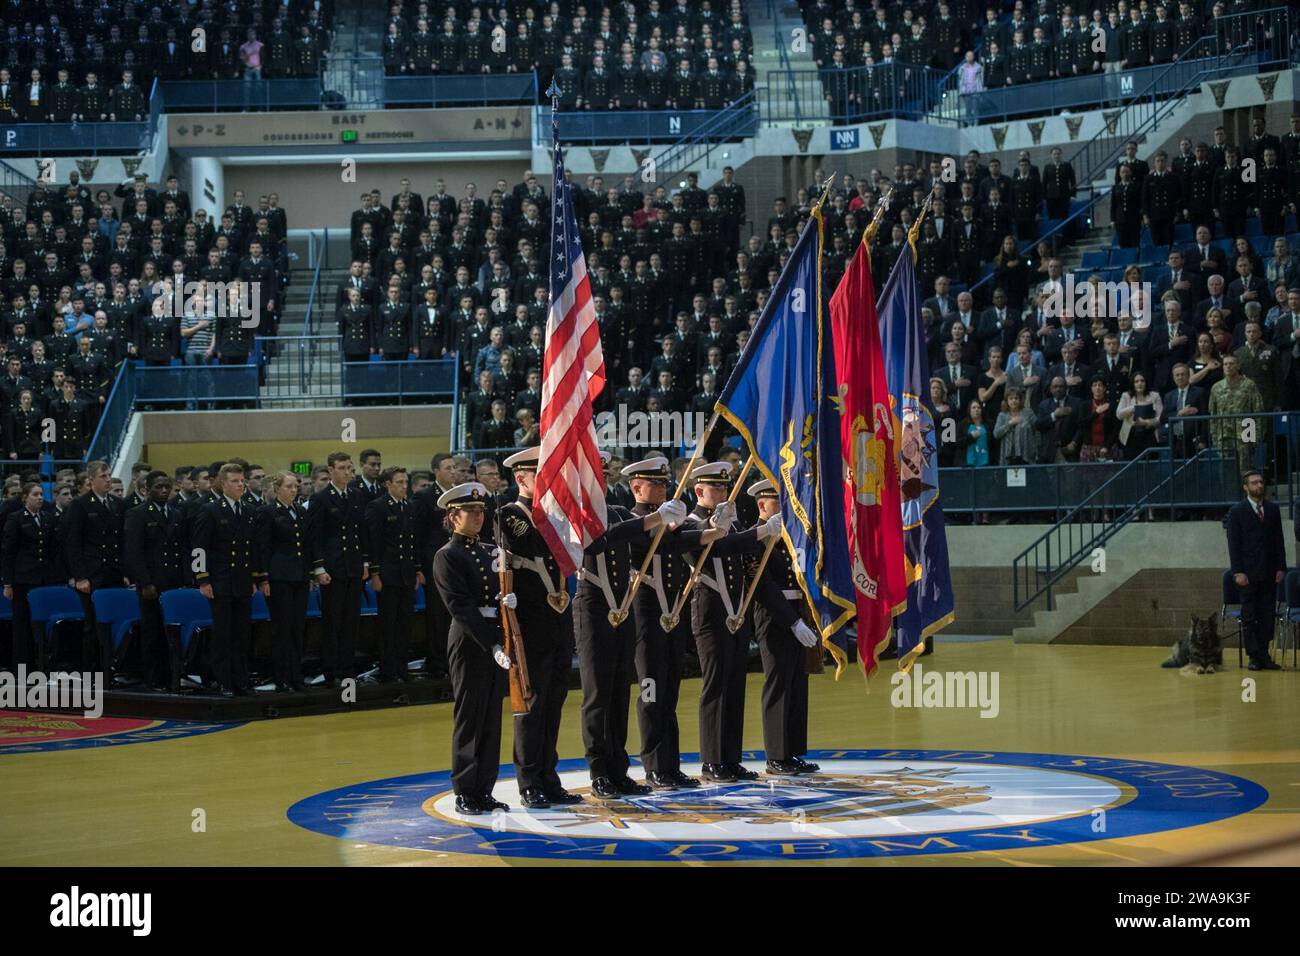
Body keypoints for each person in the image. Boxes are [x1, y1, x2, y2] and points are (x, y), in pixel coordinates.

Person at [572, 450, 680, 798]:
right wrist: (652, 520)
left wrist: (691, 524)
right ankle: (599, 770)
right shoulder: (577, 513)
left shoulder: (617, 511)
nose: (600, 478)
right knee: (598, 694)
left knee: (620, 691)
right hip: (593, 606)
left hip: (622, 607)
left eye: (603, 472)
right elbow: (601, 538)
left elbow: (648, 536)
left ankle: (618, 769)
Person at [682, 460, 781, 782]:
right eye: (717, 488)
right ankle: (712, 761)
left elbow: (740, 547)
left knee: (735, 685)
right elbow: (717, 548)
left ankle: (731, 758)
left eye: (726, 487)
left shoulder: (735, 525)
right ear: (699, 491)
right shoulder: (691, 523)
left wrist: (757, 533)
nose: (724, 493)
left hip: (735, 614)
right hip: (710, 612)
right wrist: (762, 529)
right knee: (715, 686)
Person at [621, 456, 714, 790]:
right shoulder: (635, 520)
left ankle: (669, 764)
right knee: (651, 691)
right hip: (646, 615)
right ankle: (654, 765)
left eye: (663, 483)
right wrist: (668, 522)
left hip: (670, 614)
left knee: (670, 689)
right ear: (636, 487)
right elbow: (656, 542)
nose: (661, 489)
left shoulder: (668, 520)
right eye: (654, 484)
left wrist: (712, 530)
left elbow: (681, 540)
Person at [497, 448, 584, 808]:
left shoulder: (555, 517)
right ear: (521, 479)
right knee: (531, 704)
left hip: (558, 620)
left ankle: (549, 776)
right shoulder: (511, 515)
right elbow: (532, 543)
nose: (552, 484)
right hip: (529, 623)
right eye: (543, 477)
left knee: (554, 702)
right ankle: (529, 780)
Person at [430, 481, 513, 816]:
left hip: (496, 639)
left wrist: (508, 605)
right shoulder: (447, 556)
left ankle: (484, 788)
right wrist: (492, 643)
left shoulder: (490, 551)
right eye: (471, 511)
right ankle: (465, 789)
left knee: (492, 714)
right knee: (469, 715)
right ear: (453, 516)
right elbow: (460, 607)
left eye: (481, 511)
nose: (479, 516)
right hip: (469, 641)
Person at [745, 478, 820, 775]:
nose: (784, 508)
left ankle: (792, 751)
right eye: (777, 502)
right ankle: (776, 755)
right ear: (762, 505)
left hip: (798, 610)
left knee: (796, 683)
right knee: (777, 683)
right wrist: (792, 620)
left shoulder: (791, 534)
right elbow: (762, 585)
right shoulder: (756, 537)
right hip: (774, 615)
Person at [192, 463, 267, 697]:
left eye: (242, 481)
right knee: (223, 634)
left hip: (242, 581)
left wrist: (256, 577)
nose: (240, 485)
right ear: (223, 484)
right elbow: (199, 548)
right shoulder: (211, 510)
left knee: (242, 635)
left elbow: (253, 548)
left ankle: (241, 679)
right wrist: (203, 580)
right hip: (220, 581)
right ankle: (223, 681)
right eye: (234, 481)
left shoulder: (249, 511)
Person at [306, 451, 369, 686]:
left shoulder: (356, 495)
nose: (347, 472)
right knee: (333, 621)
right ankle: (331, 670)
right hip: (332, 567)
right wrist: (319, 567)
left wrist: (365, 562)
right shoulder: (321, 498)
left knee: (351, 621)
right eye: (342, 468)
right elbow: (316, 537)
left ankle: (347, 668)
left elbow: (361, 531)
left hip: (353, 565)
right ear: (330, 470)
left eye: (349, 468)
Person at [123, 471, 185, 692]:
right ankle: (153, 679)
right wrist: (145, 582)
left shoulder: (176, 514)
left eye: (167, 486)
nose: (164, 491)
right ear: (146, 490)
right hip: (151, 582)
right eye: (158, 487)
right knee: (152, 631)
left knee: (171, 631)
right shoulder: (137, 514)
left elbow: (181, 550)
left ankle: (172, 677)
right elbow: (134, 552)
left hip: (173, 580)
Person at [62, 460, 126, 675]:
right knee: (92, 625)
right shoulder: (80, 505)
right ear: (91, 480)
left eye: (109, 476)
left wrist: (125, 572)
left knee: (114, 621)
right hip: (92, 573)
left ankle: (112, 667)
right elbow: (73, 544)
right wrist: (80, 576)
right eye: (103, 476)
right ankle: (91, 670)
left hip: (113, 572)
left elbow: (122, 542)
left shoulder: (117, 504)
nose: (108, 480)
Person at [366, 466, 424, 686]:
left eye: (406, 482)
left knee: (404, 624)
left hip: (406, 573)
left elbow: (413, 541)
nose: (404, 486)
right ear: (388, 484)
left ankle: (402, 667)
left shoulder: (408, 507)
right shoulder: (378, 507)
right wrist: (375, 573)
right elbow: (375, 542)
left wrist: (417, 569)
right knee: (388, 624)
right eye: (399, 482)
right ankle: (388, 670)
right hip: (388, 573)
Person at [1225, 471, 1285, 671]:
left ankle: (1264, 653)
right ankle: (1254, 656)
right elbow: (1234, 545)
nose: (1259, 485)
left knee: (1267, 615)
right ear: (1246, 487)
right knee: (1250, 615)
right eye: (1254, 482)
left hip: (1269, 572)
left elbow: (1279, 541)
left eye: (1261, 482)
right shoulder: (1237, 512)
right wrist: (1237, 571)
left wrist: (1281, 567)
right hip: (1247, 574)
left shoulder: (1272, 510)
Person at [258, 472, 309, 692]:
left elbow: (306, 542)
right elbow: (263, 546)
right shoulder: (268, 512)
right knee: (282, 627)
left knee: (298, 627)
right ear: (277, 488)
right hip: (279, 575)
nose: (293, 490)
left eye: (295, 487)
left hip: (299, 575)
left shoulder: (300, 511)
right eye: (288, 486)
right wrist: (264, 577)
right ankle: (281, 676)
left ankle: (296, 675)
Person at [1, 482, 54, 668]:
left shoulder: (47, 517)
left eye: (41, 494)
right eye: (35, 494)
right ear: (25, 497)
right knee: (22, 624)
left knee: (39, 623)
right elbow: (8, 552)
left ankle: (41, 663)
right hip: (22, 578)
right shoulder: (16, 518)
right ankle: (21, 666)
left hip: (42, 577)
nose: (40, 497)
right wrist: (7, 583)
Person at [1116, 372, 1162, 460]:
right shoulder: (1126, 396)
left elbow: (1160, 417)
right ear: (1132, 384)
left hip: (1150, 435)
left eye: (1142, 381)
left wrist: (1146, 422)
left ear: (1146, 383)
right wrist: (1134, 408)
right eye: (1136, 381)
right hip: (1130, 436)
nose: (1139, 383)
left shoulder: (1155, 396)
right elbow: (1119, 415)